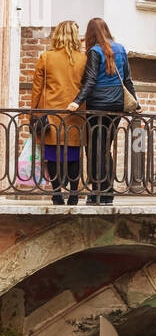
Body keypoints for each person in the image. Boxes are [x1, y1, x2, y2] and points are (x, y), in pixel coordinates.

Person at [67, 17, 139, 204]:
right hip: (116, 106)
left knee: (94, 149)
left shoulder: (94, 51)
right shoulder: (121, 48)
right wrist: (136, 103)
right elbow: (128, 80)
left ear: (90, 34)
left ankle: (97, 192)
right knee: (105, 149)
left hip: (97, 106)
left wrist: (77, 101)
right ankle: (107, 192)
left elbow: (90, 81)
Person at [31, 20, 86, 205]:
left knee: (52, 154)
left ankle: (56, 194)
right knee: (73, 153)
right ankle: (74, 194)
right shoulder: (83, 59)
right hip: (76, 115)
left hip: (52, 113)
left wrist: (34, 114)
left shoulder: (46, 57)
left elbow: (37, 89)